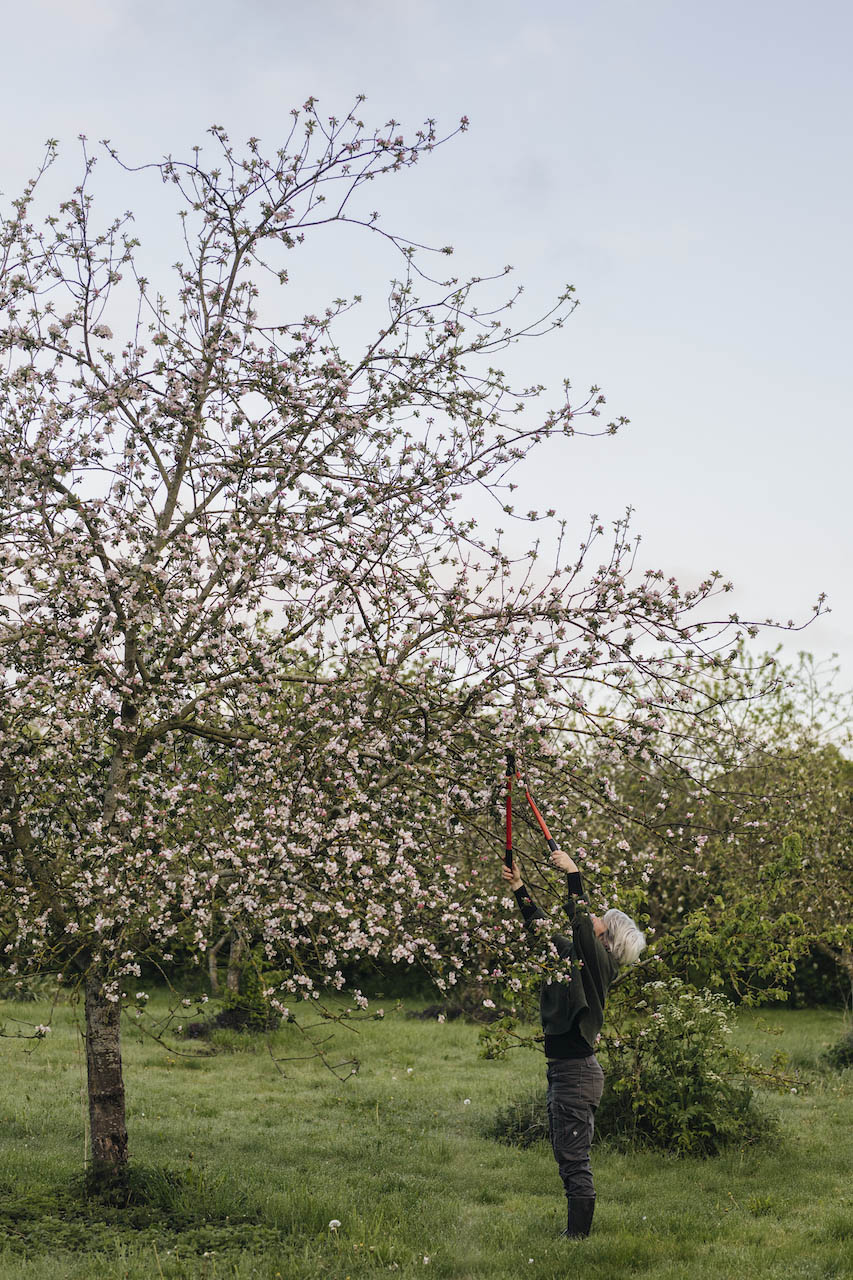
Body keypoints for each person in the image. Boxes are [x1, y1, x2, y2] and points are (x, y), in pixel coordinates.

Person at [502, 848, 646, 1239]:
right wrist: (519, 887)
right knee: (567, 1155)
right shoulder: (577, 960)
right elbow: (542, 929)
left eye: (601, 920)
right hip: (566, 1071)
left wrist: (574, 874)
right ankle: (575, 1235)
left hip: (575, 1075)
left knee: (573, 1157)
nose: (594, 918)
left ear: (606, 939)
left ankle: (577, 1239)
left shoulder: (600, 964)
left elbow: (579, 920)